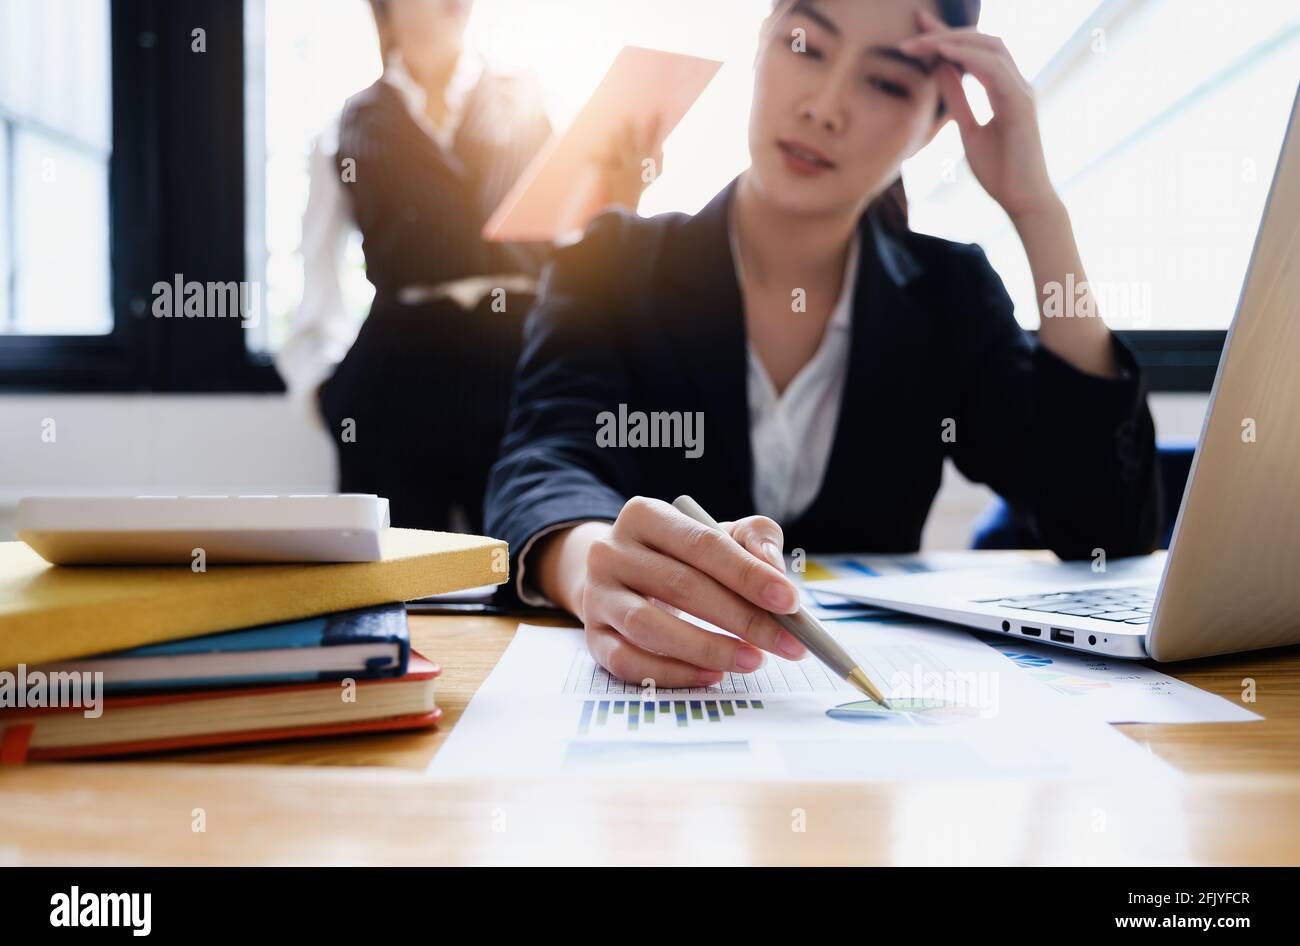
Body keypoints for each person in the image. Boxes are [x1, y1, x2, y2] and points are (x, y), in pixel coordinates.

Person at [486, 0, 1160, 687]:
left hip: (866, 709)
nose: (825, 107)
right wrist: (593, 567)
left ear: (935, 125)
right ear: (762, 42)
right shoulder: (612, 262)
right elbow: (543, 464)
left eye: (886, 82)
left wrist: (1037, 209)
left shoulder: (949, 294)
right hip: (666, 703)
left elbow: (1104, 528)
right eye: (806, 47)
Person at [278, 0, 655, 532]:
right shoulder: (346, 126)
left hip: (518, 359)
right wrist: (323, 390)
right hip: (396, 375)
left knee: (525, 550)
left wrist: (621, 203)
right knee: (398, 566)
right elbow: (316, 276)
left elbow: (577, 251)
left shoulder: (533, 101)